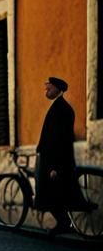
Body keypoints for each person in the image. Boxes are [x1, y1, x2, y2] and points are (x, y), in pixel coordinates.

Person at [35, 76, 89, 234]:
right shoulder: (59, 107)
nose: (46, 91)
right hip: (51, 159)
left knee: (51, 195)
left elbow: (59, 140)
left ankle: (63, 223)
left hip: (54, 161)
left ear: (58, 89)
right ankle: (64, 223)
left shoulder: (61, 109)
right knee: (54, 194)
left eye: (49, 88)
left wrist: (54, 166)